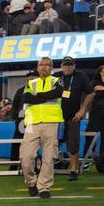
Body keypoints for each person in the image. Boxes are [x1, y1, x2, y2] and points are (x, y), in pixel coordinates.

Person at [20, 56, 64, 198]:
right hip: (32, 123)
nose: (44, 67)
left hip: (51, 122)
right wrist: (46, 96)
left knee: (49, 157)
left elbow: (57, 93)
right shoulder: (31, 83)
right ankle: (32, 182)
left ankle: (44, 187)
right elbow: (26, 98)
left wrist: (38, 96)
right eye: (42, 65)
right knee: (26, 156)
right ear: (37, 68)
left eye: (47, 65)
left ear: (51, 68)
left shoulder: (57, 80)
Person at [56, 57, 94, 180]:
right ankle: (48, 169)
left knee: (73, 143)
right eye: (65, 65)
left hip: (73, 117)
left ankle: (73, 170)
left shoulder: (80, 76)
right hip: (55, 116)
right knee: (51, 143)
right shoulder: (55, 76)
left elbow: (91, 93)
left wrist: (82, 110)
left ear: (74, 66)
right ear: (61, 66)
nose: (67, 67)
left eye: (70, 65)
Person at [83, 64, 104, 174]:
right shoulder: (94, 83)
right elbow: (95, 95)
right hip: (95, 113)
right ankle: (86, 163)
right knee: (90, 136)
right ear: (101, 72)